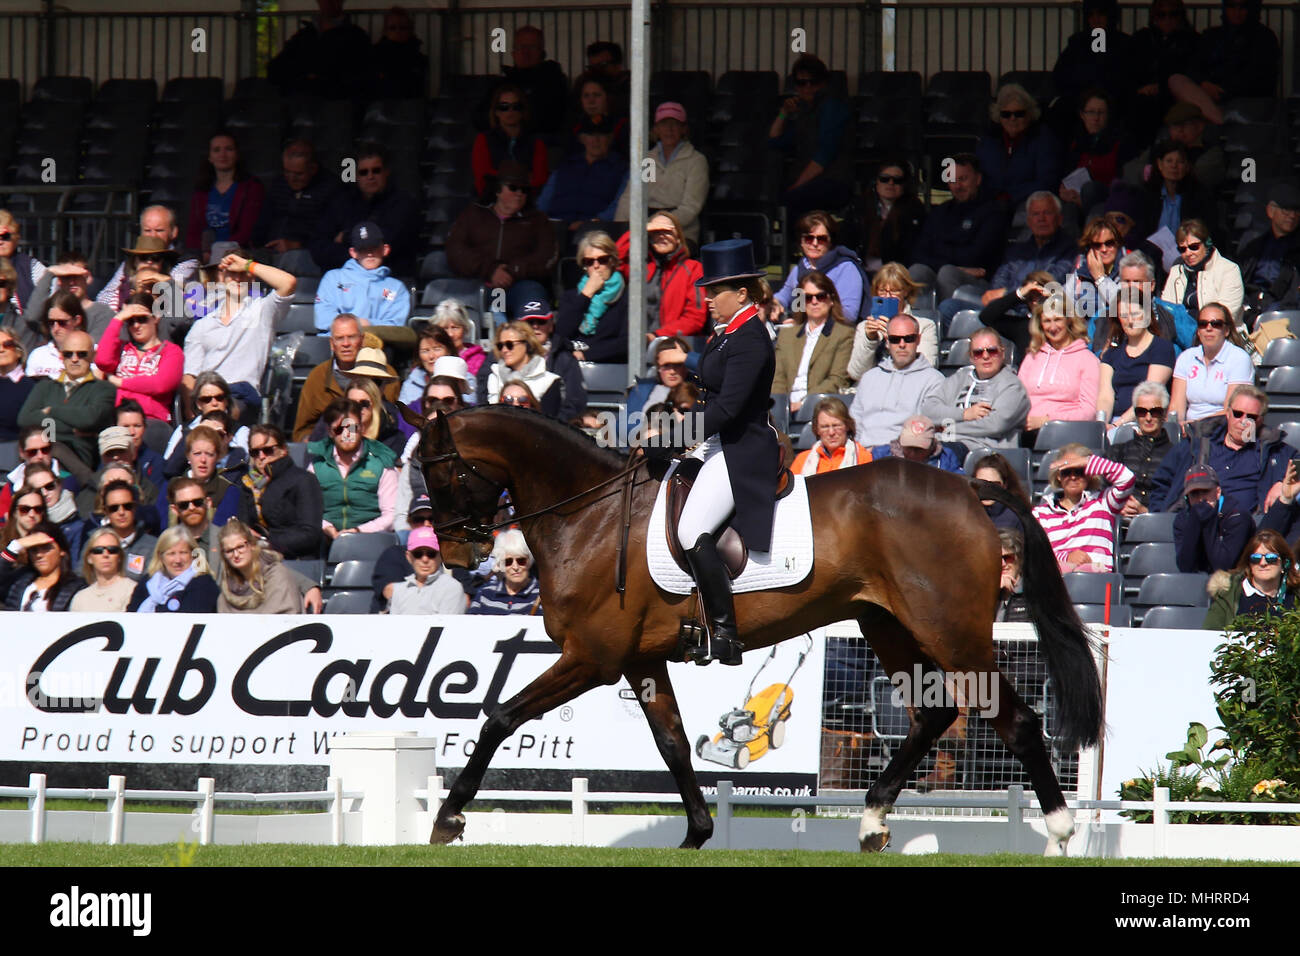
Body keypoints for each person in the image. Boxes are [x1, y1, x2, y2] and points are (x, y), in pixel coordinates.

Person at [650, 240, 778, 665]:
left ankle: (725, 631)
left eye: (715, 290)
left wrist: (674, 437)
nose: (706, 298)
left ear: (742, 293)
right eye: (705, 289)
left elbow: (727, 408)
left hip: (742, 448)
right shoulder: (727, 334)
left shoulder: (750, 338)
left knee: (691, 532)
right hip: (716, 442)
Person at [181, 244, 296, 425]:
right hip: (207, 399)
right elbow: (190, 376)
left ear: (250, 278)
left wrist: (247, 265)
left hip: (241, 398)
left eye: (241, 274)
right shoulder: (202, 325)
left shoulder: (261, 311)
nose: (237, 278)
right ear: (220, 277)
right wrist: (190, 414)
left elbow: (288, 283)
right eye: (230, 273)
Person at [445, 160, 557, 324]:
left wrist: (513, 271)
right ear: (497, 190)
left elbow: (547, 256)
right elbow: (455, 250)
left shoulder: (538, 220)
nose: (519, 193)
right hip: (478, 282)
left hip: (520, 285)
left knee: (531, 306)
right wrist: (490, 270)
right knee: (493, 311)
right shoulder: (473, 214)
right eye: (513, 188)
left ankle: (530, 344)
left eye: (524, 190)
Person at [1152, 383, 1290, 514]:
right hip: (1193, 522)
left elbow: (1297, 462)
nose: (1243, 421)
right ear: (1228, 413)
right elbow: (1161, 483)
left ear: (1260, 421)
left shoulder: (1271, 449)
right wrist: (1160, 520)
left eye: (1251, 417)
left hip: (1246, 529)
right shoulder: (1197, 443)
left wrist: (1282, 483)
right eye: (1237, 414)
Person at [309, 143, 421, 276]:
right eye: (363, 172)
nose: (370, 176)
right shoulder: (341, 202)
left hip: (390, 281)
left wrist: (345, 238)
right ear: (356, 175)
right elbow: (319, 249)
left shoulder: (403, 203)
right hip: (346, 282)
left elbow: (392, 245)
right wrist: (365, 253)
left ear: (386, 172)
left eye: (376, 170)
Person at [908, 154, 1007, 302]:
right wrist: (953, 265)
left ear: (978, 179)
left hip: (981, 284)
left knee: (948, 273)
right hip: (945, 271)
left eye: (963, 179)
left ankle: (949, 323)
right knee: (917, 270)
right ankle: (916, 321)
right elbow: (918, 253)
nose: (957, 186)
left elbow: (975, 256)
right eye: (953, 180)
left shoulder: (992, 212)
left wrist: (942, 256)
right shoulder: (940, 212)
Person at [767, 54, 852, 223]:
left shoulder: (832, 108)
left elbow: (823, 157)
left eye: (813, 82)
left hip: (833, 181)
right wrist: (783, 113)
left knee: (788, 200)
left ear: (823, 83)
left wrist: (796, 186)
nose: (807, 88)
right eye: (801, 83)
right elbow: (774, 141)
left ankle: (796, 247)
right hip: (810, 181)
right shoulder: (804, 112)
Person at [613, 102, 710, 244]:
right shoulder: (649, 160)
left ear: (683, 129)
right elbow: (634, 197)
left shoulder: (695, 161)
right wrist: (620, 231)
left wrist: (656, 225)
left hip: (680, 232)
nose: (669, 129)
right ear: (656, 129)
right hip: (645, 228)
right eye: (664, 124)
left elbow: (690, 208)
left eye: (675, 124)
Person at [18, 329, 115, 470]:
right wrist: (74, 428)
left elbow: (90, 419)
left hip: (80, 463)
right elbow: (25, 419)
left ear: (93, 356)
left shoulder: (104, 389)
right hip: (41, 459)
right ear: (61, 356)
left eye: (81, 354)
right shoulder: (44, 387)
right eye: (68, 354)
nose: (74, 359)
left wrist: (51, 411)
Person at [292, 315, 399, 441]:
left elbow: (394, 419)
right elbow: (302, 430)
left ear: (362, 339)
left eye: (352, 337)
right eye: (339, 338)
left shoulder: (384, 374)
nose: (346, 344)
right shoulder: (317, 377)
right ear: (332, 344)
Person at [922, 327, 1031, 449]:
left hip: (984, 451)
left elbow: (994, 425)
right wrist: (964, 414)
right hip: (943, 442)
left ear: (1002, 353)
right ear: (971, 357)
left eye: (992, 351)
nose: (985, 356)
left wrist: (949, 428)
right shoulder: (960, 378)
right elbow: (928, 410)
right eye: (978, 352)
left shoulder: (1013, 386)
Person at [1033, 443, 1135, 573]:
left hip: (1097, 582)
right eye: (1066, 472)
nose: (1073, 477)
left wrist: (1086, 461)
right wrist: (1068, 557)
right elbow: (1036, 553)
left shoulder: (1104, 502)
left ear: (1089, 473)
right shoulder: (1040, 513)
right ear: (1058, 476)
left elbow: (1127, 478)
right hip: (1058, 582)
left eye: (1080, 471)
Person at [307, 398, 399, 539]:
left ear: (361, 428)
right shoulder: (316, 465)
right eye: (339, 429)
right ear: (330, 432)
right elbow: (307, 510)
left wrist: (358, 531)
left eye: (352, 428)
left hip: (370, 540)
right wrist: (327, 527)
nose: (346, 434)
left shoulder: (381, 463)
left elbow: (392, 514)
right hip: (324, 540)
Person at [849, 313, 945, 447]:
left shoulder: (934, 380)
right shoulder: (869, 377)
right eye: (895, 339)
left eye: (909, 338)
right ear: (887, 341)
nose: (902, 344)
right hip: (863, 455)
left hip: (903, 457)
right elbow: (854, 424)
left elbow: (932, 431)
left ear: (918, 339)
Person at [250, 140, 339, 275]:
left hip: (305, 255)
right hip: (270, 252)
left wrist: (296, 244)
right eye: (287, 172)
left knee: (293, 260)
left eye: (298, 174)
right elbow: (263, 221)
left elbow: (329, 232)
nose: (291, 178)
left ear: (313, 169)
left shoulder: (330, 189)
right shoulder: (279, 185)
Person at [771, 271, 853, 414]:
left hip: (819, 408)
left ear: (831, 299)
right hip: (784, 409)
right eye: (808, 298)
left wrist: (804, 402)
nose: (814, 302)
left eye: (820, 296)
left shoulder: (844, 334)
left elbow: (837, 380)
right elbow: (777, 379)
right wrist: (781, 407)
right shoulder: (786, 335)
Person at [237, 424, 323, 560]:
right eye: (255, 452)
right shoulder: (248, 483)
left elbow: (310, 533)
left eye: (268, 450)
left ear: (283, 450)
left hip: (296, 559)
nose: (261, 456)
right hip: (256, 559)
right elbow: (244, 524)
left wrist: (267, 541)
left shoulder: (303, 480)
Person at [614, 213, 706, 340]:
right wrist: (641, 229)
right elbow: (613, 260)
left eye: (667, 231)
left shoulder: (693, 269)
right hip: (633, 342)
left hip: (673, 342)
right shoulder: (639, 268)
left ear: (678, 237)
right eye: (656, 231)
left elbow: (695, 318)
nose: (662, 236)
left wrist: (657, 336)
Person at [1017, 298, 1101, 436]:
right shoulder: (1032, 357)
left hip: (1064, 432)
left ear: (1068, 320)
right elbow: (1018, 397)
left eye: (1057, 319)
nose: (1053, 327)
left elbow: (1089, 411)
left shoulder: (1087, 360)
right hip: (1025, 429)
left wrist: (1048, 421)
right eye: (1047, 321)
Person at [1191, 0, 1281, 125]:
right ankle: (1218, 117)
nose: (1236, 12)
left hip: (1246, 97)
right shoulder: (1211, 35)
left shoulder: (1264, 37)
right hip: (1208, 92)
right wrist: (1203, 83)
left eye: (1243, 7)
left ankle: (1218, 119)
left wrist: (1223, 91)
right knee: (1176, 80)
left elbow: (1258, 77)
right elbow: (1195, 66)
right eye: (1231, 6)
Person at [96, 206, 200, 313]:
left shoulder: (186, 261)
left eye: (159, 230)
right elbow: (104, 297)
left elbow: (173, 289)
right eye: (147, 230)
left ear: (173, 232)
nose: (153, 236)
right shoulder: (130, 262)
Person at [312, 220, 411, 331]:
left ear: (385, 249)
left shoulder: (396, 287)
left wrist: (368, 324)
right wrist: (356, 324)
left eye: (374, 247)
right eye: (363, 248)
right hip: (335, 344)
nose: (369, 253)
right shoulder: (333, 278)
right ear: (353, 252)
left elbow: (396, 326)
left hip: (379, 343)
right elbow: (323, 319)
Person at [975, 83, 1062, 207]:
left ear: (1029, 114)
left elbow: (1047, 182)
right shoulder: (988, 141)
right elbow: (979, 178)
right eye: (1006, 114)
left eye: (1019, 114)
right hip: (992, 203)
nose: (1012, 118)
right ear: (999, 116)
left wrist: (1010, 196)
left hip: (1028, 203)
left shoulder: (1044, 139)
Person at [94, 301, 183, 423]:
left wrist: (119, 382)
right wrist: (118, 319)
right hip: (118, 417)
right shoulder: (122, 349)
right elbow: (102, 361)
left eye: (142, 319)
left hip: (151, 418)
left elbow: (160, 385)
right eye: (130, 321)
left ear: (155, 318)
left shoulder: (171, 351)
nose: (136, 325)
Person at [267, 0, 374, 100]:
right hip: (300, 105)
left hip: (334, 107)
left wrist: (314, 79)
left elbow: (360, 77)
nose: (328, 2)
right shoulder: (304, 36)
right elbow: (275, 69)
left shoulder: (356, 37)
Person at [846, 263, 939, 378]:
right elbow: (856, 374)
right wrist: (870, 340)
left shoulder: (925, 326)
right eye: (882, 291)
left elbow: (927, 369)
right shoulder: (865, 327)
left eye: (894, 291)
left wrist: (892, 340)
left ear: (905, 292)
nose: (888, 296)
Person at [536, 116, 627, 232]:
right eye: (590, 135)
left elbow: (619, 205)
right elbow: (544, 200)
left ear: (610, 138)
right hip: (555, 227)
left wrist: (594, 222)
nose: (596, 140)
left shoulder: (621, 168)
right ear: (582, 139)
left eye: (601, 135)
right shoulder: (565, 165)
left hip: (596, 231)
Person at [1168, 303, 1253, 426]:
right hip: (1189, 431)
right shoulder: (1186, 357)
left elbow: (1230, 411)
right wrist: (1177, 428)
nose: (1209, 328)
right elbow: (1176, 408)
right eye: (1203, 324)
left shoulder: (1239, 359)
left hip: (1223, 429)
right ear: (1198, 331)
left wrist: (1193, 425)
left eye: (1216, 324)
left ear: (1226, 330)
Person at [774, 211, 866, 323]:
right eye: (809, 238)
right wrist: (775, 303)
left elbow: (849, 315)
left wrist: (805, 323)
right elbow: (784, 295)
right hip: (799, 334)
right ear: (801, 242)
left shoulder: (846, 269)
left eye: (821, 239)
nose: (815, 243)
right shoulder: (799, 268)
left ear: (831, 241)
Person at [1098, 296, 1176, 424]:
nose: (1130, 321)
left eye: (1135, 314)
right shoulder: (1110, 354)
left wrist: (1118, 425)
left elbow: (1150, 393)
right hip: (1114, 421)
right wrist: (1102, 426)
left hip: (1146, 419)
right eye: (1123, 315)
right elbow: (1105, 396)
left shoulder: (1162, 348)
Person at [1058, 90, 1134, 219]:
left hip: (1106, 198)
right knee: (1066, 210)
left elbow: (1124, 181)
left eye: (1101, 113)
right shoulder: (1075, 142)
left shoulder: (1120, 142)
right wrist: (1063, 191)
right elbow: (1066, 175)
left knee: (1091, 194)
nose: (1096, 118)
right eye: (1091, 112)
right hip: (1075, 199)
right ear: (1082, 115)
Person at [185, 130, 265, 253]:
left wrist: (219, 252)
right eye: (216, 150)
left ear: (237, 154)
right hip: (205, 252)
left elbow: (246, 231)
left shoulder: (252, 187)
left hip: (236, 251)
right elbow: (194, 231)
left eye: (229, 149)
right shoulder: (202, 189)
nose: (223, 155)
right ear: (210, 157)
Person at [554, 231, 628, 363]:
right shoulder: (571, 297)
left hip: (610, 366)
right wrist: (586, 295)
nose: (596, 266)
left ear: (612, 261)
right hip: (574, 365)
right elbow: (562, 332)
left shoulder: (626, 297)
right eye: (589, 261)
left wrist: (587, 355)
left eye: (602, 260)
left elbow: (625, 342)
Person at [1104, 381, 1176, 516]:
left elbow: (1178, 500)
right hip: (1118, 520)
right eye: (1142, 412)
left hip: (1158, 526)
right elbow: (1101, 490)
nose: (1148, 418)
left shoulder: (1176, 455)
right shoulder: (1117, 452)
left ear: (1164, 414)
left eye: (1155, 412)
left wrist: (1146, 513)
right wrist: (1117, 505)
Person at [1204, 529, 1299, 629]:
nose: (1263, 563)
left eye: (1271, 558)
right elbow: (1209, 635)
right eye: (1256, 558)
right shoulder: (1229, 595)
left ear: (1284, 562)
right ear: (1249, 563)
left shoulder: (1295, 595)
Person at [513, 301, 587, 422]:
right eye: (529, 322)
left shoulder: (565, 359)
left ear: (551, 326)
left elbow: (575, 402)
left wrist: (551, 425)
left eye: (541, 321)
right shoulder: (506, 353)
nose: (535, 326)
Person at [471, 84, 549, 198]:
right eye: (504, 107)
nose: (510, 111)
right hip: (493, 203)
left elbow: (540, 180)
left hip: (527, 203)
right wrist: (523, 177)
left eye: (516, 106)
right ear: (496, 112)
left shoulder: (536, 143)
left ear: (523, 111)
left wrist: (501, 176)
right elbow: (483, 177)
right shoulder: (484, 140)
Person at [1161, 219, 1244, 324]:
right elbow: (1165, 310)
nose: (1188, 253)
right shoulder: (1176, 271)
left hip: (1217, 334)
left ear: (1207, 244)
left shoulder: (1229, 270)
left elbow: (1225, 317)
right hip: (1180, 334)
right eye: (1182, 249)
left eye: (1194, 247)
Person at [1173, 464, 1253, 573]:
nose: (1201, 499)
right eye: (1194, 494)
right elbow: (1186, 567)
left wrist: (1208, 522)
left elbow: (1223, 566)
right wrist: (1194, 522)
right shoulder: (1183, 519)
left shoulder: (1237, 516)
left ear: (1218, 492)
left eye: (1205, 491)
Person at [25, 250, 115, 345]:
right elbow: (32, 317)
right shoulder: (52, 311)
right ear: (59, 280)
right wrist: (49, 273)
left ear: (88, 278)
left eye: (77, 276)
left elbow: (90, 348)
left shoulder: (103, 313)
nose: (72, 282)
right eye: (66, 277)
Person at [215, 519, 304, 614]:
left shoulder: (278, 576)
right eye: (229, 551)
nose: (236, 554)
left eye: (240, 547)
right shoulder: (227, 590)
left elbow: (287, 616)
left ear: (252, 545)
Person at [1238, 182, 1300, 317]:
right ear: (1271, 211)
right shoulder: (1254, 246)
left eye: (1296, 211)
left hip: (1285, 311)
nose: (1292, 216)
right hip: (1253, 307)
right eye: (1286, 210)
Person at [127, 525, 219, 612]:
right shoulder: (147, 582)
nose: (178, 560)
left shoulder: (203, 584)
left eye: (183, 552)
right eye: (171, 553)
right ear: (161, 557)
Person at [500, 25, 569, 135]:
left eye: (531, 47)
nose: (525, 52)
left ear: (542, 53)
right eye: (521, 47)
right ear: (513, 53)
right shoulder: (502, 84)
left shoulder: (555, 82)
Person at [860, 158, 926, 273]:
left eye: (897, 180)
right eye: (884, 179)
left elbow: (916, 252)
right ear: (876, 181)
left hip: (897, 275)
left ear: (904, 184)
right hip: (862, 273)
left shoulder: (915, 210)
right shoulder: (860, 207)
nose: (891, 183)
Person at [0, 521, 82, 611]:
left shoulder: (76, 587)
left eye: (46, 548)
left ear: (62, 551)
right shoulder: (18, 582)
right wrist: (15, 546)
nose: (39, 555)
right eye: (34, 550)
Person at [1144, 140, 1217, 238]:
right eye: (1169, 161)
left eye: (1180, 162)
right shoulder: (1148, 195)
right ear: (1160, 164)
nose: (1174, 166)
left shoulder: (1200, 196)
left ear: (1187, 166)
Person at [1063, 214, 1128, 323]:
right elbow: (1062, 303)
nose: (1104, 249)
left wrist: (1100, 278)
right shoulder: (1080, 275)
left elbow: (1125, 307)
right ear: (1089, 247)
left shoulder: (1129, 269)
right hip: (1089, 336)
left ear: (1117, 243)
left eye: (1109, 243)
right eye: (1097, 245)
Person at [388, 526, 466, 615]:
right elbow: (393, 627)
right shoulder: (399, 590)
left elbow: (447, 627)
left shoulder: (452, 588)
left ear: (441, 556)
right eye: (418, 554)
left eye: (431, 554)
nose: (425, 559)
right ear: (409, 557)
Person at [468, 528, 543, 615]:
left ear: (529, 561)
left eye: (521, 561)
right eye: (508, 562)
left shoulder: (543, 595)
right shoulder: (485, 594)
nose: (515, 567)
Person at [790, 396, 871, 476]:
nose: (831, 432)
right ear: (817, 429)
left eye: (836, 426)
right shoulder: (802, 461)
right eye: (825, 427)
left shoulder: (863, 458)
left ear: (847, 426)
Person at [95, 478, 156, 581]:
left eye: (127, 506)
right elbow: (83, 576)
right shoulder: (94, 543)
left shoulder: (153, 546)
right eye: (114, 508)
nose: (121, 512)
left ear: (135, 507)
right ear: (106, 511)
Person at [25, 290, 90, 379]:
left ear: (77, 320)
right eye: (51, 322)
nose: (56, 329)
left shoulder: (91, 353)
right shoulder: (38, 355)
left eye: (62, 322)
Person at [68, 527, 135, 611]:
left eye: (112, 550)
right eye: (98, 550)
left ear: (119, 557)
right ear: (89, 558)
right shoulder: (80, 598)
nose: (105, 554)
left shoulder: (131, 590)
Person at [370, 5, 429, 99]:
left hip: (410, 107)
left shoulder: (418, 58)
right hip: (382, 108)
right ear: (385, 31)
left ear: (410, 30)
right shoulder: (374, 56)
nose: (398, 31)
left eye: (403, 28)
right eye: (392, 28)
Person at [871, 415, 964, 473]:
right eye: (909, 447)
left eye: (919, 449)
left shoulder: (946, 459)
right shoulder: (881, 455)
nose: (913, 453)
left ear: (931, 445)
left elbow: (959, 484)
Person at [568, 75, 628, 160]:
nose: (591, 101)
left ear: (608, 97)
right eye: (586, 96)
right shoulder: (576, 127)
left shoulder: (621, 126)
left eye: (597, 95)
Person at [0, 209, 48, 314]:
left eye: (5, 236)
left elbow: (52, 295)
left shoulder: (31, 266)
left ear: (16, 238)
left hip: (22, 326)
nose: (0, 241)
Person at [972, 452, 1033, 531]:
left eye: (994, 484)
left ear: (1005, 485)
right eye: (980, 483)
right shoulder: (965, 512)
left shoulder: (1016, 517)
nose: (987, 489)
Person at [0, 326, 33, 442]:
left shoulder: (31, 387)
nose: (1, 349)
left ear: (18, 352)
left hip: (15, 449)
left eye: (7, 344)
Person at [995, 528, 1031, 622]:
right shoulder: (985, 594)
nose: (1002, 564)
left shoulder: (1033, 593)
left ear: (1019, 558)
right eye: (996, 558)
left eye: (1008, 558)